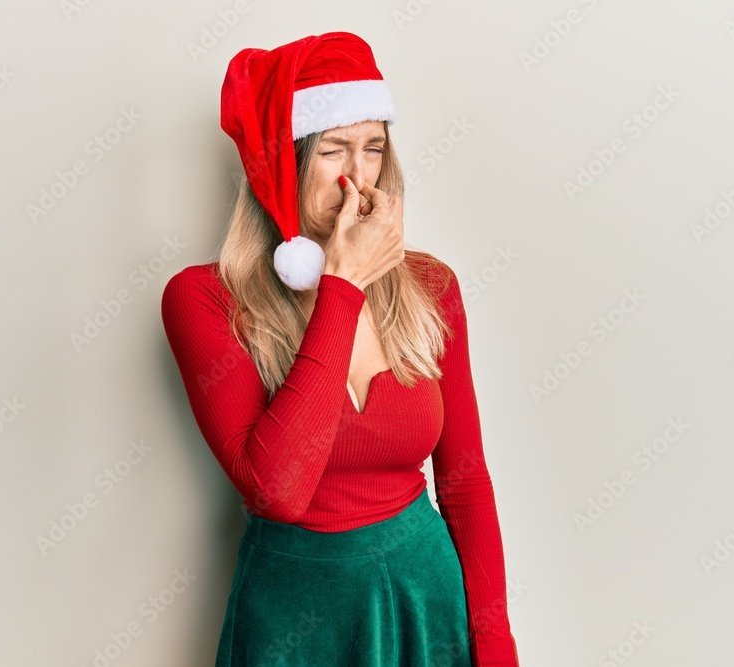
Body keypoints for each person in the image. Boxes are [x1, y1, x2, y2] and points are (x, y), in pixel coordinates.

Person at [161, 31, 520, 666]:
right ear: (282, 165)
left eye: (373, 148)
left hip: (424, 601)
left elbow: (465, 483)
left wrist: (495, 648)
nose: (358, 175)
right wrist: (343, 286)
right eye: (333, 150)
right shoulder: (203, 300)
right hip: (295, 621)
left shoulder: (431, 286)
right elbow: (278, 491)